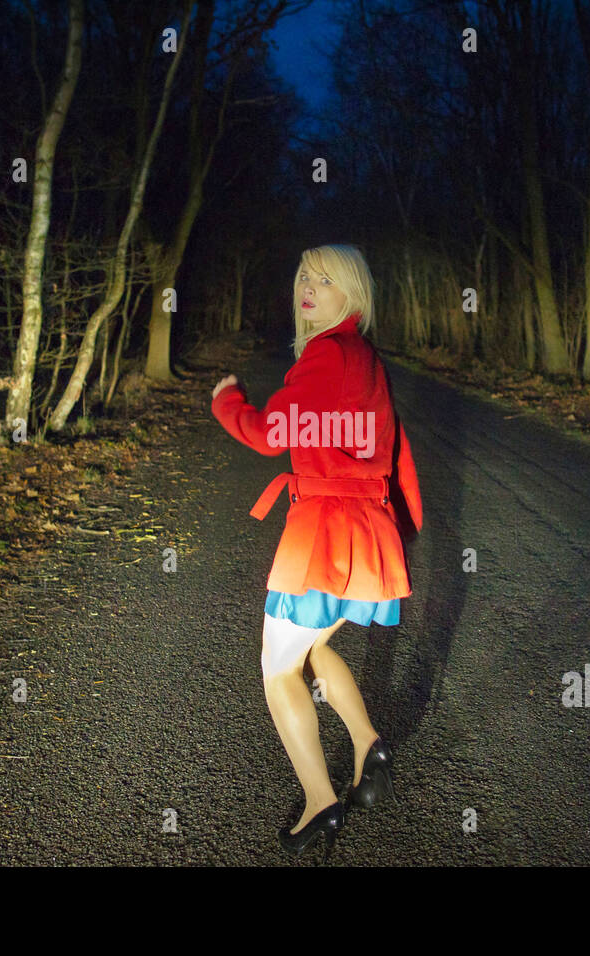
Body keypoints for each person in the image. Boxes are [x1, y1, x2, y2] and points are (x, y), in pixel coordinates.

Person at [211, 243, 423, 860]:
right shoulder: (367, 359)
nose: (309, 287)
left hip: (326, 529)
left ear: (352, 293)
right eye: (304, 276)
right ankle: (367, 744)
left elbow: (270, 432)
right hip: (366, 528)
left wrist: (227, 401)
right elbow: (396, 454)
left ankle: (319, 802)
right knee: (314, 646)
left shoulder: (328, 353)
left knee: (279, 670)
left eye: (325, 279)